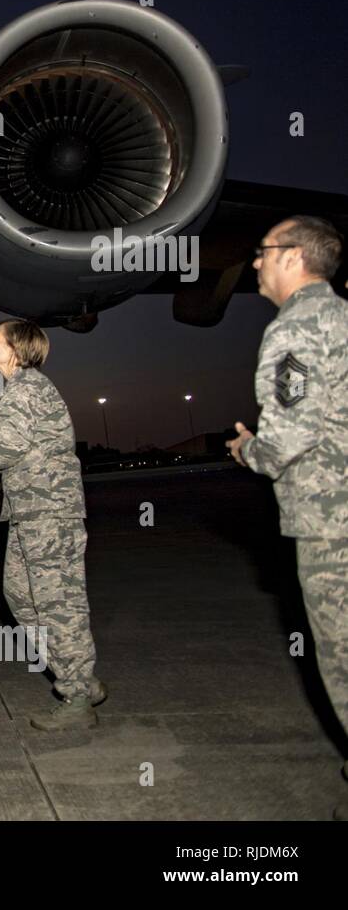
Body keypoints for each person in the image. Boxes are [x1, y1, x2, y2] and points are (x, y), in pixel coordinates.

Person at [225, 215, 347, 818]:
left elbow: (290, 434)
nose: (254, 263)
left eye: (264, 252)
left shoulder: (294, 330)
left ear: (294, 257)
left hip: (333, 524)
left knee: (344, 661)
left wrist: (250, 449)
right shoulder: (344, 318)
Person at [0, 319, 106, 729]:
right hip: (30, 514)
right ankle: (80, 679)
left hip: (48, 515)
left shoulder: (26, 389)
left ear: (14, 349)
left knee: (57, 606)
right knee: (20, 598)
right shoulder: (21, 389)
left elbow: (4, 447)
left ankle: (76, 698)